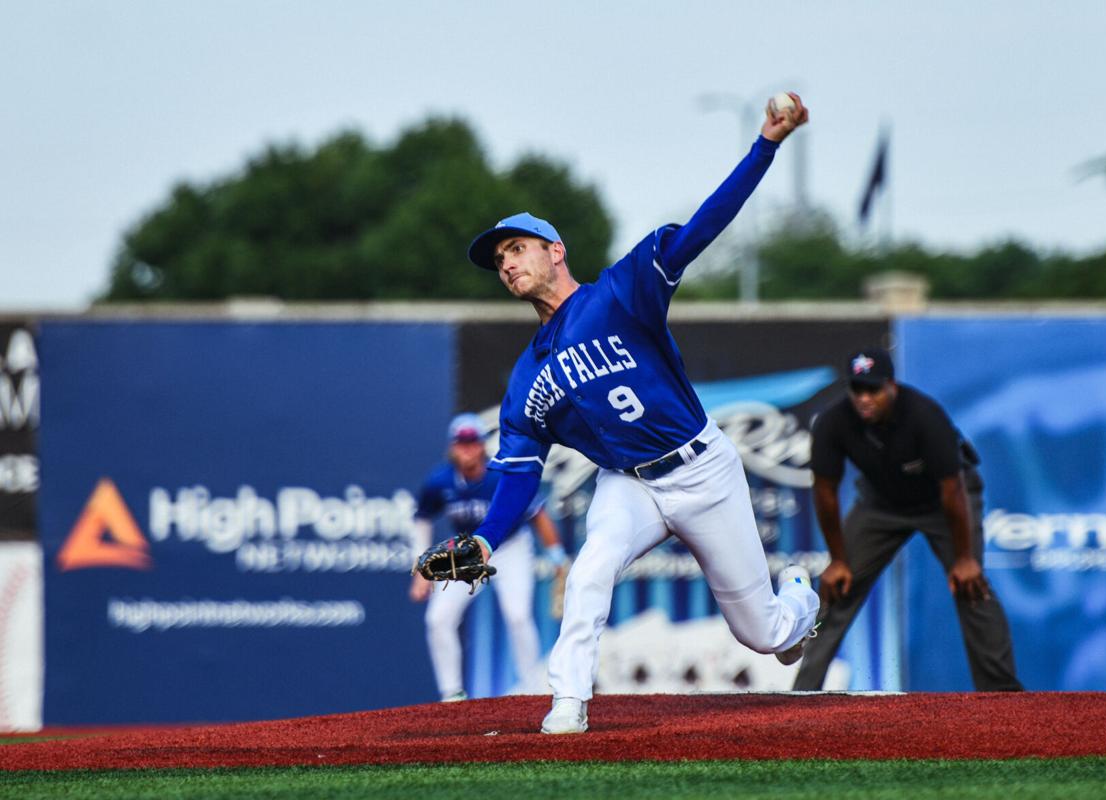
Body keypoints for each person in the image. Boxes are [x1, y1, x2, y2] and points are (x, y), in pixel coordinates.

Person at [454, 92, 820, 734]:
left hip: (702, 470)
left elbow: (704, 226)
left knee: (762, 635)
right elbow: (518, 478)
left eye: (517, 248)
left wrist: (766, 145)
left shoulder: (622, 292)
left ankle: (798, 599)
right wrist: (485, 537)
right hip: (630, 484)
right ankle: (568, 702)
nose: (507, 263)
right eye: (499, 259)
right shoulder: (525, 379)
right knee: (592, 564)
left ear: (555, 249)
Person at [793, 347, 1023, 692]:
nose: (865, 399)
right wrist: (838, 560)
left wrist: (964, 559)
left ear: (892, 387)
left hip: (942, 504)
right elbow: (825, 492)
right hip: (881, 504)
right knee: (838, 588)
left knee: (970, 584)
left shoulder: (924, 416)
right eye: (858, 390)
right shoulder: (834, 422)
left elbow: (953, 490)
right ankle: (801, 693)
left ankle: (1003, 697)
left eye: (873, 389)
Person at [409, 413, 567, 702]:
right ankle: (452, 693)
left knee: (518, 616)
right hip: (466, 552)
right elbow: (422, 519)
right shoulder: (440, 481)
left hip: (510, 547)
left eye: (472, 442)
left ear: (483, 445)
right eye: (461, 443)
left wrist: (557, 557)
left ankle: (534, 690)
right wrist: (421, 568)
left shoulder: (500, 475)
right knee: (438, 618)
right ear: (452, 447)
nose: (467, 448)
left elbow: (537, 514)